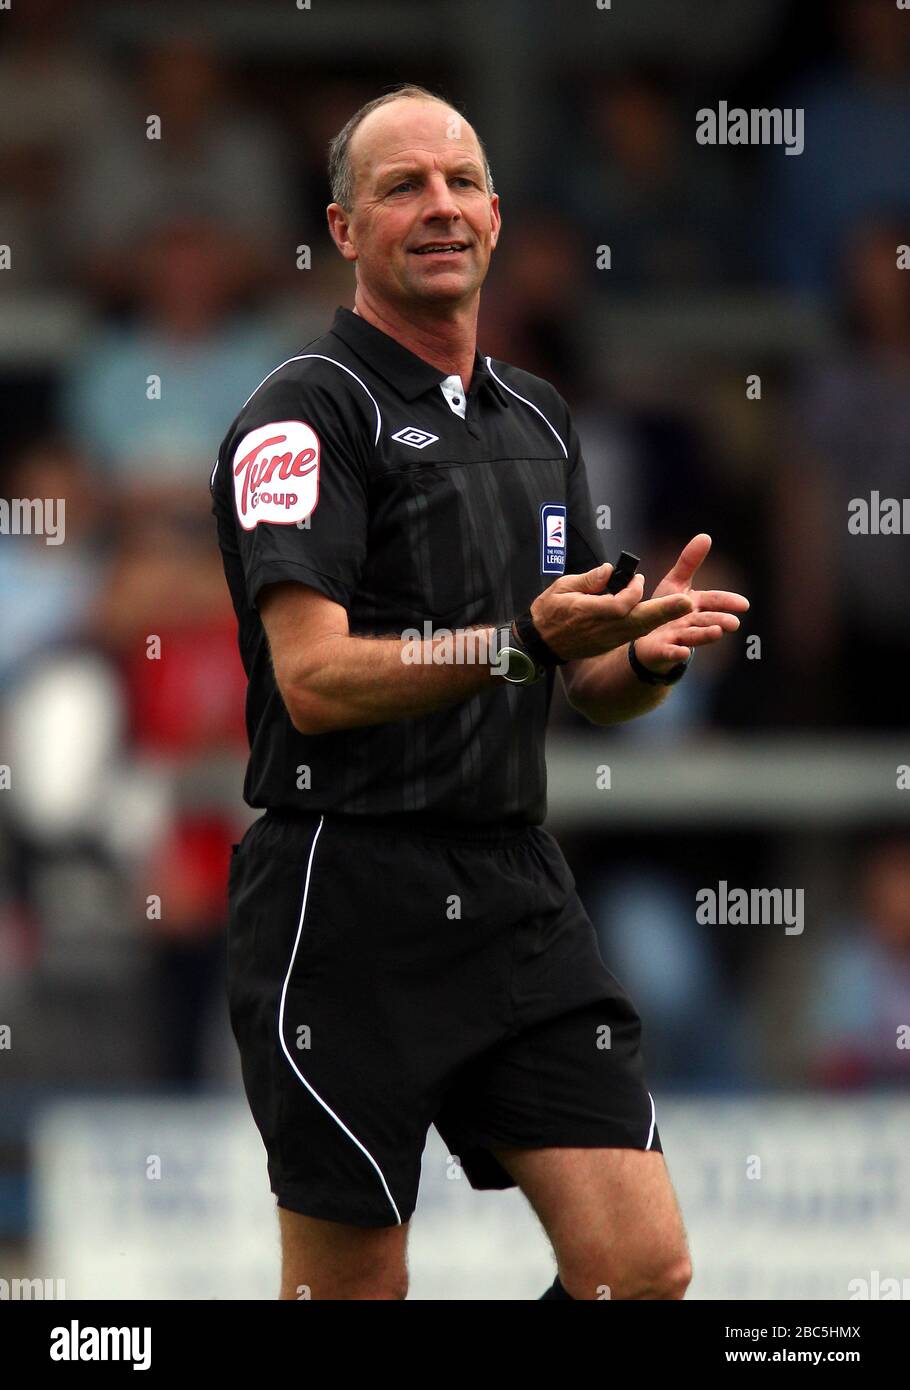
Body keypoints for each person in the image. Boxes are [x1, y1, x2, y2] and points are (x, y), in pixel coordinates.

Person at [210, 83, 749, 1300]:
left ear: (498, 218)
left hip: (513, 885)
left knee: (641, 1270)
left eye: (460, 183)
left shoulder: (538, 414)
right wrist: (516, 644)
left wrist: (642, 659)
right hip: (342, 895)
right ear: (344, 229)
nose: (438, 206)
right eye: (401, 186)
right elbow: (311, 681)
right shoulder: (303, 411)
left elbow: (585, 680)